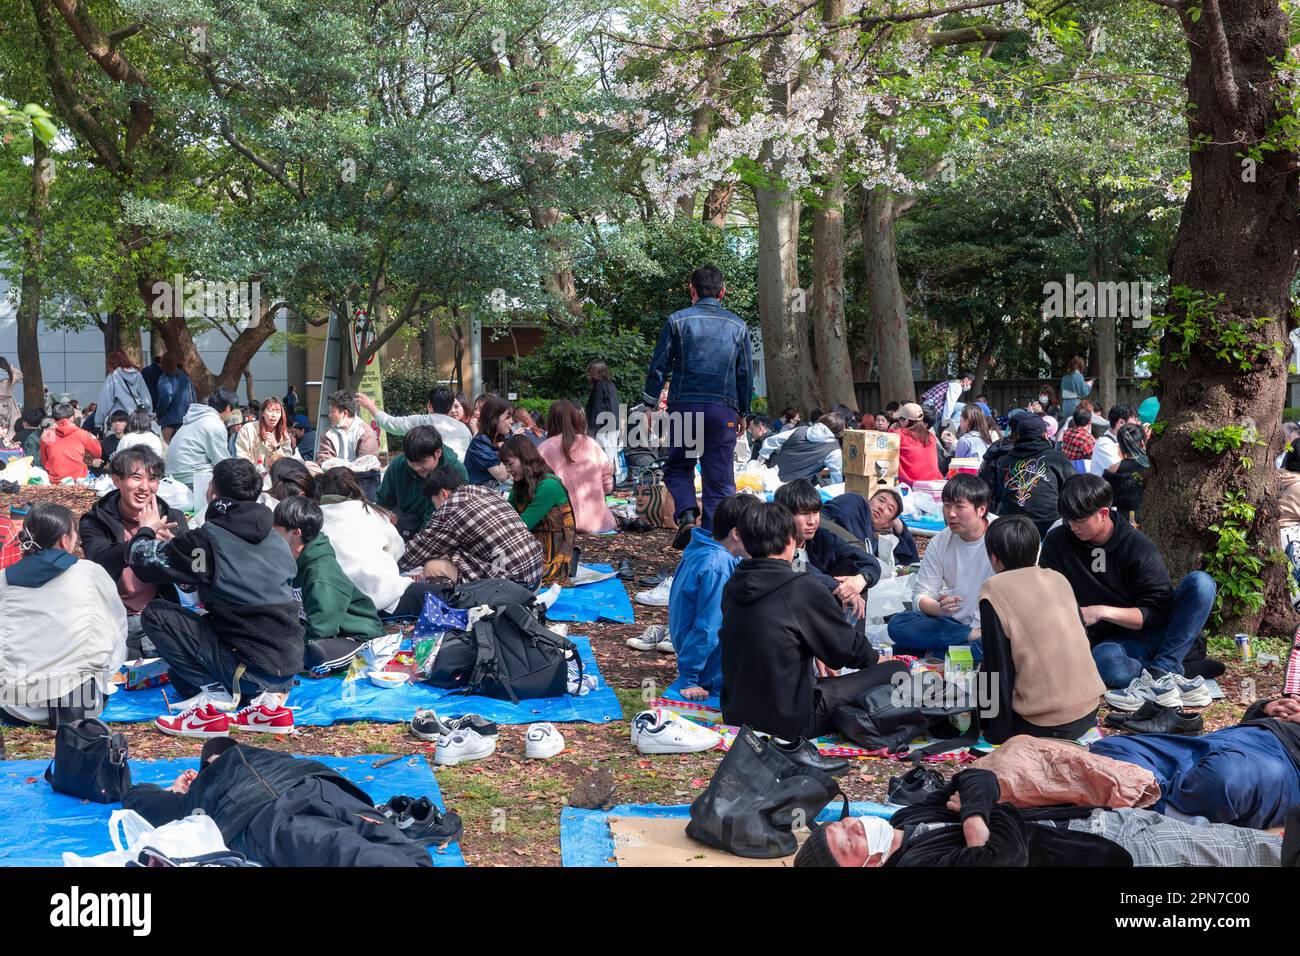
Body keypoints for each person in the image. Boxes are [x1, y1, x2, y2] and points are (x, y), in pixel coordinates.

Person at [718, 502, 908, 764]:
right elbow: (847, 650)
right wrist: (877, 661)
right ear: (790, 540)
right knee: (896, 671)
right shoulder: (799, 586)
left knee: (826, 680)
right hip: (791, 721)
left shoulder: (733, 584)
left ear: (746, 542)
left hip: (735, 711)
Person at [793, 768, 1282, 868]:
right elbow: (1004, 858)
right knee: (1249, 855)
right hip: (1111, 853)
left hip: (1101, 818)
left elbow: (976, 777)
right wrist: (983, 817)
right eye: (849, 842)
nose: (856, 826)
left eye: (844, 823)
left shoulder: (905, 816)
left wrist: (980, 815)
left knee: (1231, 840)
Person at [129, 457, 303, 736]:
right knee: (179, 675)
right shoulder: (274, 538)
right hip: (285, 668)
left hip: (251, 667)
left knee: (158, 615)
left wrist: (146, 530)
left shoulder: (208, 538)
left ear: (215, 493)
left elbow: (140, 560)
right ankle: (248, 694)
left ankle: (215, 694)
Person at [123, 739, 435, 867]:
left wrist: (175, 792)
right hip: (313, 789)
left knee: (341, 846)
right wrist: (180, 793)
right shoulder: (199, 795)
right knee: (354, 843)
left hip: (274, 805)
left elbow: (138, 797)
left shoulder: (203, 794)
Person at [1039, 474, 1216, 692]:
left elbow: (1157, 611)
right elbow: (1047, 595)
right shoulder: (1057, 542)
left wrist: (1103, 611)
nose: (1072, 526)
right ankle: (1172, 669)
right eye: (1067, 520)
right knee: (1107, 664)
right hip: (1112, 643)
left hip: (1155, 631)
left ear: (1103, 513)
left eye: (1078, 520)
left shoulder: (1137, 546)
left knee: (1202, 583)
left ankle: (1165, 665)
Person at [642, 263, 753, 549]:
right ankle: (713, 546)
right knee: (719, 480)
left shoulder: (677, 321)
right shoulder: (738, 325)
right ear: (723, 292)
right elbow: (745, 374)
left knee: (679, 467)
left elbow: (659, 365)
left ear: (692, 290)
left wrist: (649, 402)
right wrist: (743, 412)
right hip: (723, 410)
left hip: (686, 408)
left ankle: (688, 515)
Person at [974, 515, 1105, 745]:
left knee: (983, 674)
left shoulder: (994, 588)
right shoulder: (1057, 578)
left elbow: (997, 666)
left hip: (1045, 725)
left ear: (993, 557)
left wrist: (995, 732)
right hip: (1089, 711)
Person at [1091, 694, 1300, 830]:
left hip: (1284, 760)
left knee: (1225, 779)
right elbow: (1250, 719)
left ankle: (1168, 806)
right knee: (1111, 748)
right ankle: (1175, 810)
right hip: (1234, 737)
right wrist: (1267, 706)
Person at [0, 502, 127, 725]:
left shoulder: (3, 579)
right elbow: (118, 628)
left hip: (15, 704)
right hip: (82, 701)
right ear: (64, 540)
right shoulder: (90, 573)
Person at [79, 446, 191, 657]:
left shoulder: (172, 518)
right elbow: (99, 560)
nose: (145, 487)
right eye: (136, 478)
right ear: (116, 480)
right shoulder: (96, 519)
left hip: (158, 617)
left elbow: (191, 578)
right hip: (112, 620)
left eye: (152, 479)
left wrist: (175, 551)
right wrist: (145, 535)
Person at [886, 474, 997, 660]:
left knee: (995, 642)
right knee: (898, 623)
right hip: (954, 624)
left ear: (981, 510)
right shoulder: (940, 541)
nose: (951, 514)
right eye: (947, 505)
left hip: (992, 627)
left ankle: (939, 651)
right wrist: (940, 609)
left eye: (959, 507)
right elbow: (921, 595)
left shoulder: (1001, 535)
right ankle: (962, 643)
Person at [272, 496, 385, 675]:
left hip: (357, 639)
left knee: (314, 654)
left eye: (276, 527)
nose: (272, 532)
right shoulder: (292, 561)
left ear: (296, 532)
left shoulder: (320, 573)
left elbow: (322, 629)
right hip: (321, 636)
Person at [665, 495, 762, 701]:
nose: (762, 541)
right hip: (709, 669)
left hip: (698, 656)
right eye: (757, 534)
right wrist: (690, 678)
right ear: (736, 533)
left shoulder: (703, 546)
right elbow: (707, 627)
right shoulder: (718, 566)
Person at [314, 467, 443, 619]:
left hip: (339, 603)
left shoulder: (314, 517)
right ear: (356, 486)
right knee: (446, 595)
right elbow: (398, 550)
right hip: (385, 597)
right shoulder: (371, 512)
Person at [398, 466, 543, 588]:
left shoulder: (449, 509)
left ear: (444, 494)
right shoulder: (484, 491)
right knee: (454, 553)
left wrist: (385, 566)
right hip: (535, 575)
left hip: (511, 587)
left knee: (433, 567)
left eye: (434, 502)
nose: (435, 508)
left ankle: (453, 608)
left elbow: (415, 552)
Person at [773, 480, 880, 623]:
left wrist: (861, 579)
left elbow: (868, 559)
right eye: (804, 514)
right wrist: (842, 589)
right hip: (789, 615)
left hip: (822, 610)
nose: (812, 521)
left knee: (855, 572)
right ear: (784, 515)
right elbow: (802, 571)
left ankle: (852, 640)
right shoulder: (775, 543)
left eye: (815, 512)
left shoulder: (821, 537)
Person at [500, 435, 575, 586]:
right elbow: (507, 518)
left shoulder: (548, 486)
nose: (508, 470)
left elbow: (520, 526)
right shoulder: (520, 484)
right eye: (505, 465)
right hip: (530, 549)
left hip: (552, 558)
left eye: (510, 464)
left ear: (525, 458)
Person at [985, 413, 1075, 537]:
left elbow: (1000, 494)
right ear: (1045, 435)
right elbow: (1073, 490)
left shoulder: (1007, 460)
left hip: (1012, 529)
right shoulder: (1057, 458)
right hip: (1049, 528)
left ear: (1017, 436)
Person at [374, 425, 469, 539]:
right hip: (405, 523)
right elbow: (383, 502)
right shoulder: (398, 465)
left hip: (443, 528)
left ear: (438, 453)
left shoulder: (456, 470)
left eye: (422, 462)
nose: (418, 468)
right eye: (412, 462)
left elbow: (462, 511)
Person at [539, 400, 616, 533]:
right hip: (599, 524)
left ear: (550, 421)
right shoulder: (593, 445)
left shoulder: (544, 449)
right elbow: (608, 487)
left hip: (560, 526)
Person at [355, 386, 472, 461]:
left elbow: (390, 423)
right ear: (451, 406)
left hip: (430, 477)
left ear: (429, 405)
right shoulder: (464, 430)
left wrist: (370, 406)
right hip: (458, 478)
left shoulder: (422, 421)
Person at [822, 488, 920, 567]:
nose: (881, 508)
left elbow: (913, 564)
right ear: (869, 501)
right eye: (880, 500)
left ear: (888, 524)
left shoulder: (874, 544)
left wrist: (901, 527)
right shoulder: (856, 501)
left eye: (889, 509)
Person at [166, 388, 237, 488]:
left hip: (172, 477)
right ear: (228, 408)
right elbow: (222, 462)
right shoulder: (214, 424)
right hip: (191, 479)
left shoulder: (194, 419)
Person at [759, 412, 845, 484]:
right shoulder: (834, 450)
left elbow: (771, 441)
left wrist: (760, 460)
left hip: (770, 478)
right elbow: (836, 476)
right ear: (839, 432)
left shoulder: (800, 430)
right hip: (795, 489)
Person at [40, 403, 103, 483]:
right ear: (72, 418)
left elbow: (44, 461)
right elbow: (97, 453)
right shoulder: (82, 434)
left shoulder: (47, 434)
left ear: (54, 418)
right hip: (79, 480)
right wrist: (94, 439)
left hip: (54, 481)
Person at [316, 389, 380, 465]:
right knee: (309, 465)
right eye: (329, 412)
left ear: (345, 413)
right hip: (334, 474)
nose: (329, 415)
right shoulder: (327, 434)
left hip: (360, 475)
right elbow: (324, 460)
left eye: (332, 411)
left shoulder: (366, 433)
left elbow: (366, 464)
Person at [1104, 423, 1149, 526]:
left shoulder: (1111, 470)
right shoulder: (1150, 467)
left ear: (1119, 446)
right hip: (1147, 519)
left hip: (1119, 522)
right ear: (1142, 443)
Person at [235, 396, 294, 473]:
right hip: (252, 477)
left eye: (278, 411)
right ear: (262, 413)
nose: (274, 415)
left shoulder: (284, 435)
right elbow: (242, 457)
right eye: (270, 410)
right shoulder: (248, 429)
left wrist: (276, 447)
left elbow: (287, 463)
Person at [464, 395, 513, 485]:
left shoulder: (499, 438)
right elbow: (501, 475)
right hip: (479, 494)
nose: (511, 421)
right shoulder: (479, 443)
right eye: (507, 417)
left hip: (497, 491)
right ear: (494, 419)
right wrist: (509, 448)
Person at [96, 350, 154, 425]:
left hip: (119, 420)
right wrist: (147, 413)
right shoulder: (137, 374)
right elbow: (146, 398)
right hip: (136, 420)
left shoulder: (113, 376)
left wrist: (99, 422)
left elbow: (105, 401)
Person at [891, 402, 943, 484]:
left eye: (900, 419)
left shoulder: (898, 435)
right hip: (934, 483)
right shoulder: (931, 437)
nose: (898, 422)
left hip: (911, 485)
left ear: (906, 421)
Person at [1089, 403, 1139, 476]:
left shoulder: (1125, 440)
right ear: (1121, 422)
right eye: (1134, 422)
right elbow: (1119, 469)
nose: (1137, 426)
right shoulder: (1104, 444)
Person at [154, 354, 194, 442]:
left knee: (167, 451)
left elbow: (166, 397)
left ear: (162, 364)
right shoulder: (185, 377)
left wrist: (159, 413)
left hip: (170, 422)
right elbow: (193, 397)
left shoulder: (165, 378)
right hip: (186, 420)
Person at [585, 360, 621, 440]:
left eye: (590, 372)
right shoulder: (610, 385)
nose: (589, 375)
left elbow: (598, 409)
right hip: (613, 427)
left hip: (604, 430)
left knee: (602, 452)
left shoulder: (599, 387)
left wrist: (592, 431)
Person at [0, 357, 22, 444]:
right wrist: (10, 368)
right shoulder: (11, 378)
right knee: (10, 430)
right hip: (9, 405)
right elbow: (19, 373)